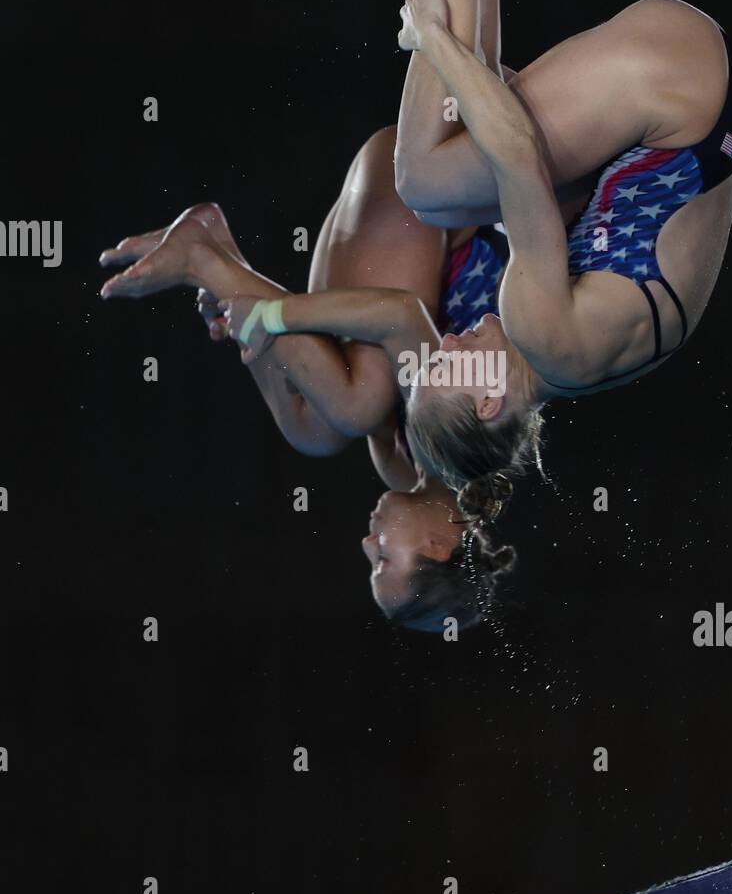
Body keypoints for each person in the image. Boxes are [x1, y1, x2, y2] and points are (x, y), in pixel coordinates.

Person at [222, 0, 732, 497]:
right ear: (488, 400)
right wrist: (430, 37)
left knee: (469, 186)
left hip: (692, 96)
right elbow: (516, 149)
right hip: (670, 89)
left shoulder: (568, 364)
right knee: (424, 181)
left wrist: (271, 316)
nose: (448, 344)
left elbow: (507, 162)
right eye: (447, 368)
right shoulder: (538, 332)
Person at [99, 124, 516, 632]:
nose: (366, 544)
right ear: (437, 547)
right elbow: (402, 316)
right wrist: (272, 318)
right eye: (383, 560)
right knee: (356, 406)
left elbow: (330, 367)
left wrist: (243, 328)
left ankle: (218, 258)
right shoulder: (469, 449)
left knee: (315, 431)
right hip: (420, 180)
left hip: (387, 213)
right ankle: (205, 260)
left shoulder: (402, 470)